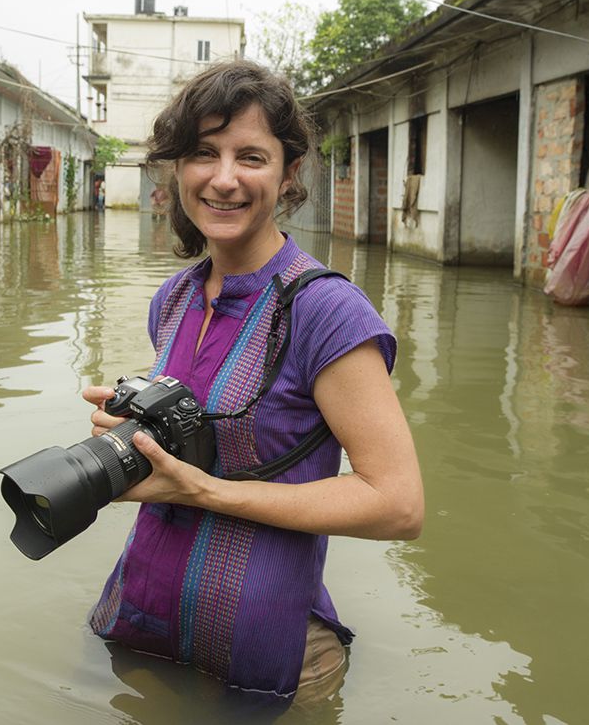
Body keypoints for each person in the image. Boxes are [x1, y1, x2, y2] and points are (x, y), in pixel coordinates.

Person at [81, 61, 423, 702]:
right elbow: (202, 441)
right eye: (204, 153)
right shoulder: (174, 299)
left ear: (289, 174)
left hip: (271, 650)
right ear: (177, 168)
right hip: (143, 618)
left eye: (252, 157)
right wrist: (134, 434)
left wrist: (206, 492)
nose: (224, 178)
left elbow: (398, 505)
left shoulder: (325, 311)